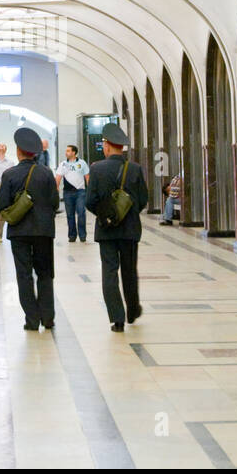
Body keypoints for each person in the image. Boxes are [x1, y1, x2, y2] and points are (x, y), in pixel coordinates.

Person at [85, 123, 149, 332]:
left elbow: (90, 200)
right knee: (130, 270)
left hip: (106, 230)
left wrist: (106, 216)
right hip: (130, 230)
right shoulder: (135, 169)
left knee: (109, 272)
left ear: (107, 145)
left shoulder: (96, 169)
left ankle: (117, 318)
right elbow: (142, 200)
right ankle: (132, 310)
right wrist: (126, 213)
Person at [0, 127, 60, 331]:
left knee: (23, 275)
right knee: (44, 273)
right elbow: (54, 203)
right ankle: (48, 317)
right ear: (35, 153)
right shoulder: (46, 173)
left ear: (18, 151)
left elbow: (1, 204)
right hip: (43, 231)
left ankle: (32, 319)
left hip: (19, 232)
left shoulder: (9, 175)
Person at [55, 144, 90, 242]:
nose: (66, 152)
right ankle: (72, 236)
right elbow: (58, 177)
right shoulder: (63, 164)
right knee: (70, 215)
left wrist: (90, 190)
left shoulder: (82, 163)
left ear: (74, 152)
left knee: (81, 213)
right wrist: (56, 188)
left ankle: (82, 235)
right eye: (66, 151)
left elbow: (87, 177)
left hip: (80, 192)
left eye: (68, 151)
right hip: (68, 193)